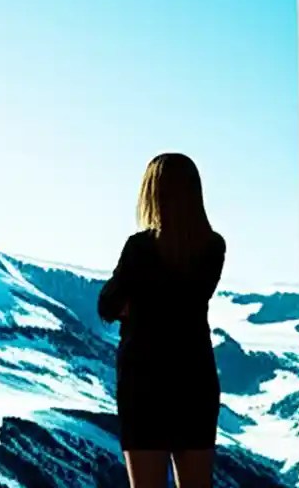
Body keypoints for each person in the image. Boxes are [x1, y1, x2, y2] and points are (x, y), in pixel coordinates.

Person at [97, 152, 226, 488]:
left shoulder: (139, 248)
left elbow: (108, 304)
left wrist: (137, 304)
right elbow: (184, 300)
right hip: (194, 378)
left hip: (144, 382)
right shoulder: (213, 248)